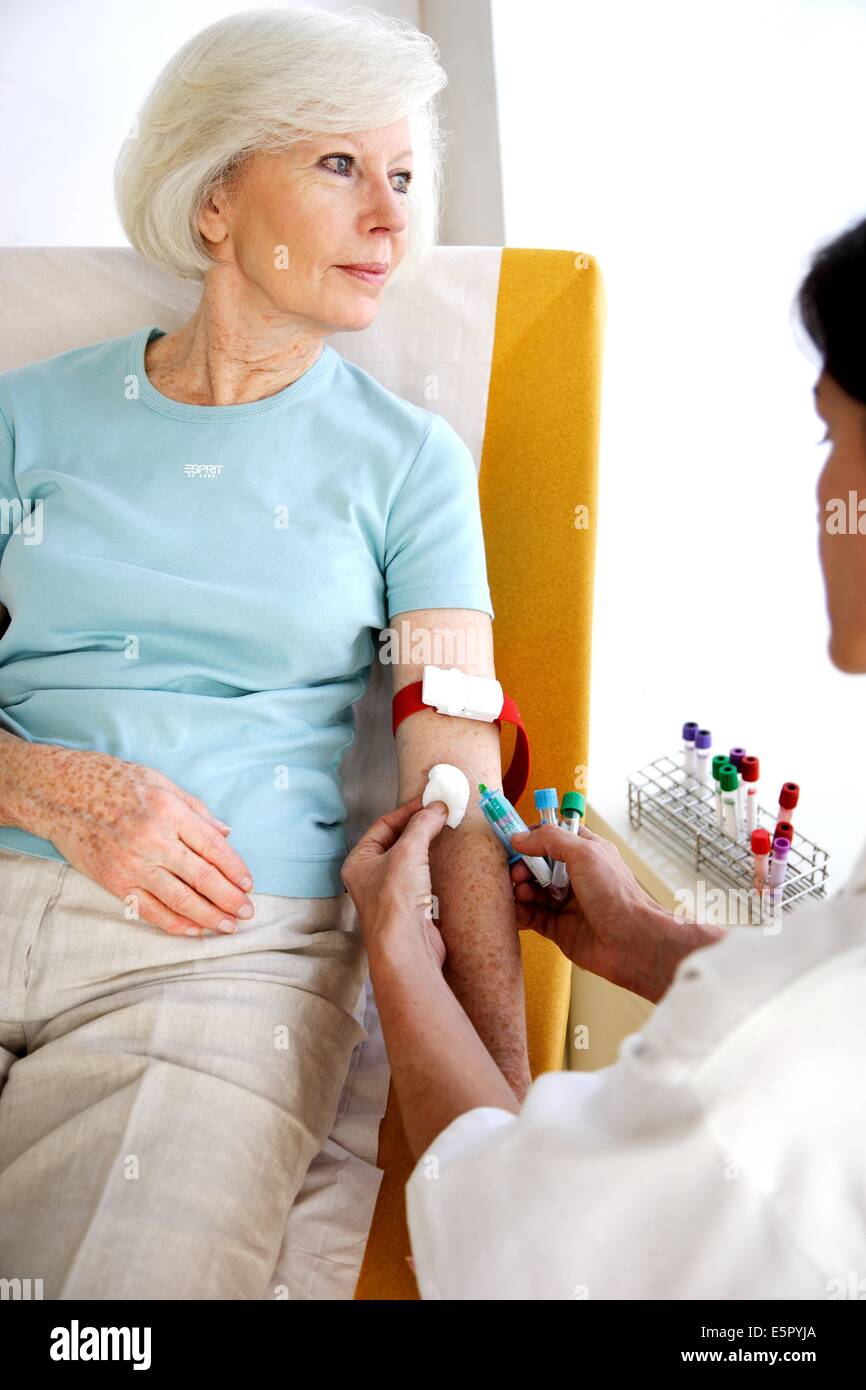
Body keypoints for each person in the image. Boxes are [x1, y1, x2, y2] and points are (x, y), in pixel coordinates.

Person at [0, 6, 527, 1300]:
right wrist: (46, 786)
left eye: (404, 178)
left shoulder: (409, 465)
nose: (392, 222)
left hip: (219, 950)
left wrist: (516, 1124)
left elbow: (450, 782)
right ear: (216, 197)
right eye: (341, 166)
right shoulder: (24, 417)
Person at [341, 212, 866, 1299]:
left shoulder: (409, 462)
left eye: (829, 436)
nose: (825, 490)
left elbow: (514, 1240)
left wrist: (399, 964)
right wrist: (647, 941)